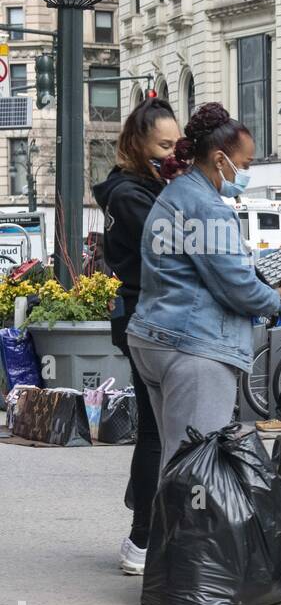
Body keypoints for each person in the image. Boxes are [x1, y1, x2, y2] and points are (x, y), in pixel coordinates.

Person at [127, 102, 281, 475]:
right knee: (196, 469)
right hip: (194, 345)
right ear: (220, 159)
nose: (245, 173)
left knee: (177, 459)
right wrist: (271, 298)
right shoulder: (207, 207)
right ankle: (190, 535)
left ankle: (169, 534)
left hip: (158, 336)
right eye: (244, 164)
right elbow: (235, 284)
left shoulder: (175, 194)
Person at [91, 97, 182, 576]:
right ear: (137, 143)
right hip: (146, 318)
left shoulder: (140, 188)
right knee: (155, 430)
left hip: (145, 317)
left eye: (176, 143)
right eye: (163, 145)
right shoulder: (130, 194)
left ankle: (147, 528)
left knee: (159, 430)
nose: (172, 153)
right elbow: (169, 247)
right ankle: (142, 537)